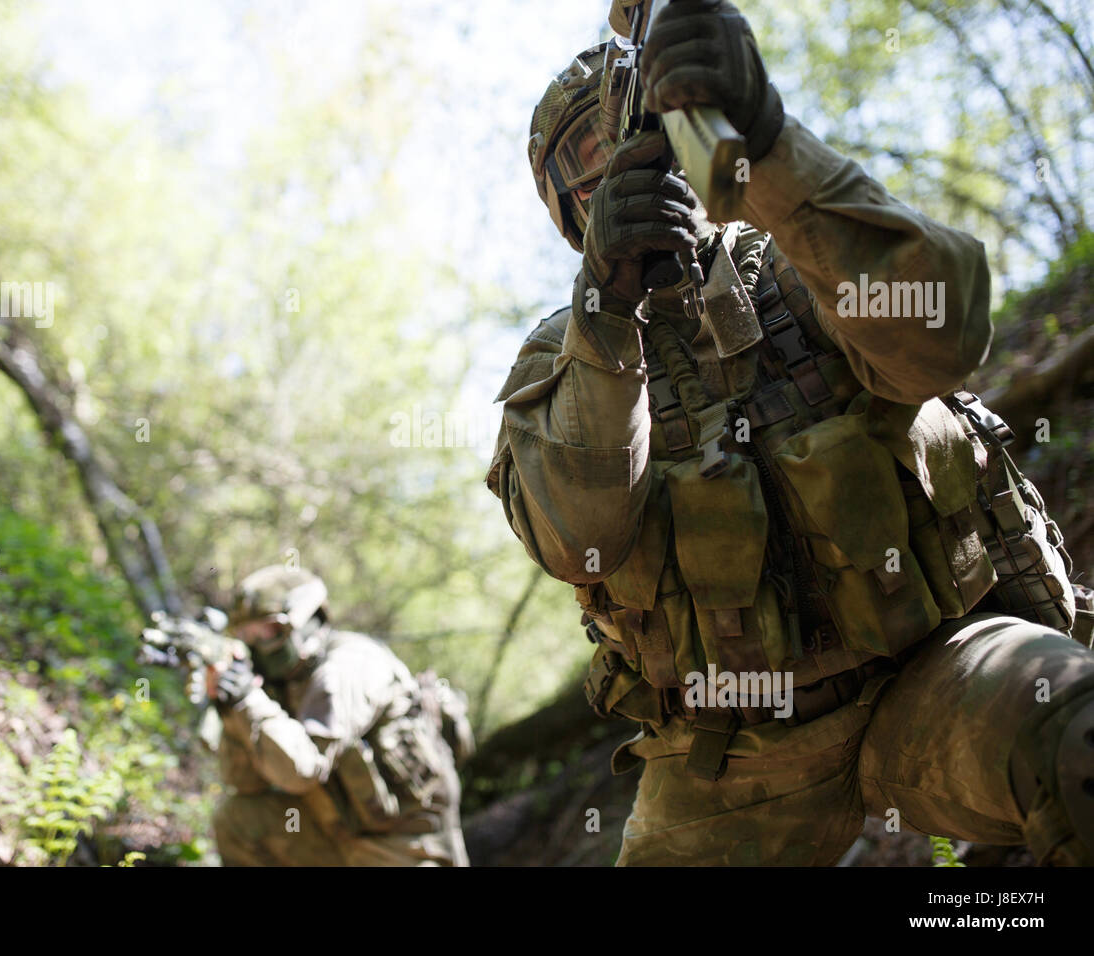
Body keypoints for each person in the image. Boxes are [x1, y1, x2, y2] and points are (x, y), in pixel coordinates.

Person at [488, 3, 1094, 865]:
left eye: (657, 146)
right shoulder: (564, 353)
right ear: (571, 214)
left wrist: (766, 142)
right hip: (733, 756)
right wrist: (607, 308)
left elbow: (947, 329)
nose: (635, 178)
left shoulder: (797, 254)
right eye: (595, 177)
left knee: (1076, 739)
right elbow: (575, 539)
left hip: (935, 665)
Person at [188, 564, 469, 866]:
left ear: (307, 622)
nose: (257, 646)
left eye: (268, 631)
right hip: (334, 832)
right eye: (247, 635)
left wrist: (248, 699)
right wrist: (232, 704)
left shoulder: (347, 668)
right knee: (239, 820)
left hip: (404, 847)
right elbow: (244, 783)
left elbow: (301, 771)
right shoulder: (279, 681)